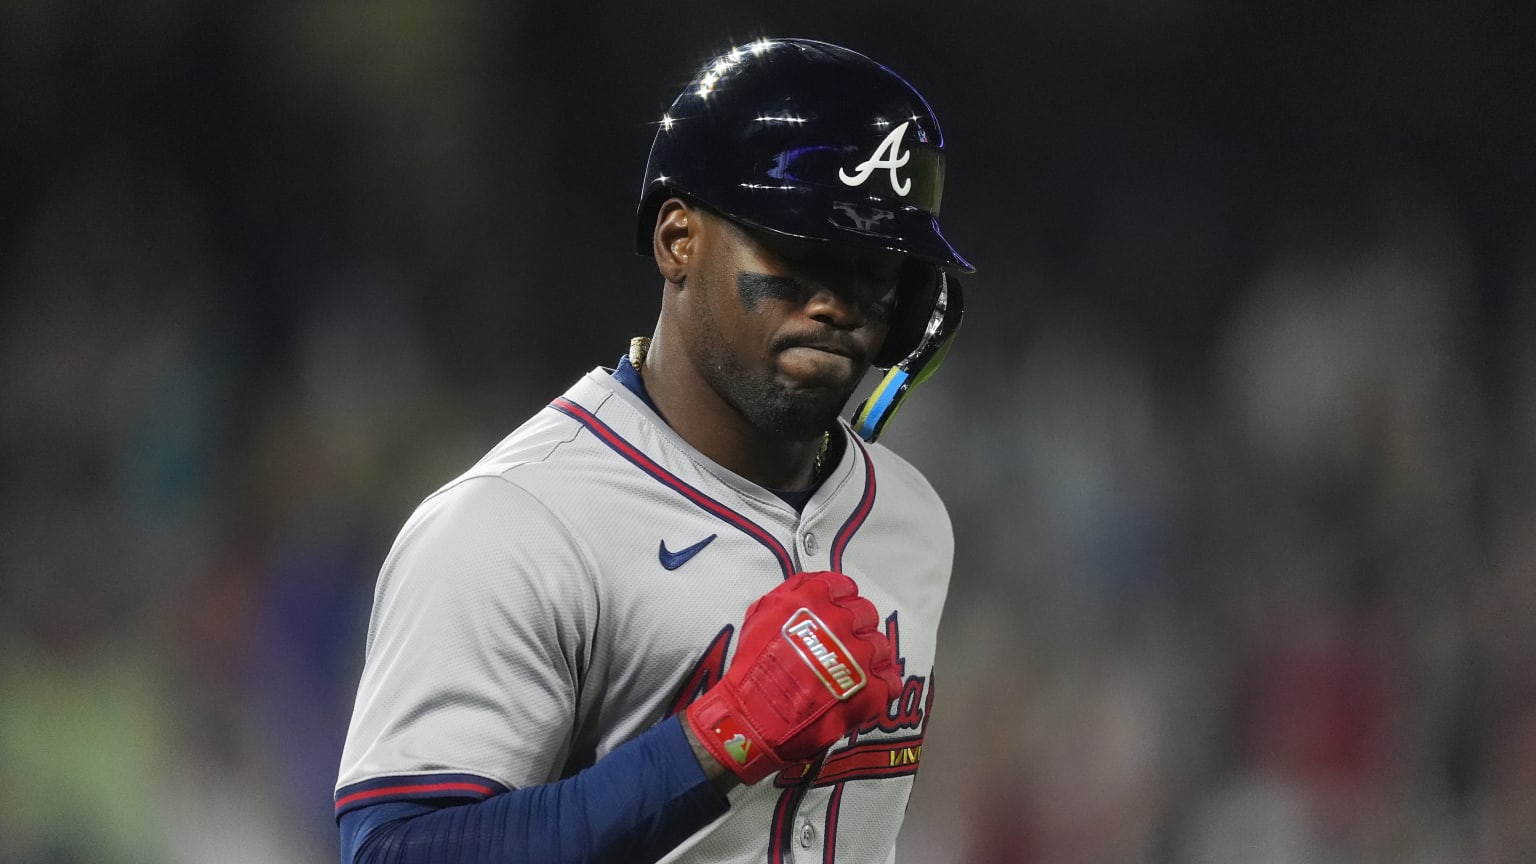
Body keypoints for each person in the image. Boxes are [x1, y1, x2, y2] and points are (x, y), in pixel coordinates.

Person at [334, 37, 973, 864]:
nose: (836, 303)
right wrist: (720, 739)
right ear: (678, 239)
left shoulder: (912, 520)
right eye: (798, 251)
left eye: (875, 268)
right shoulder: (515, 523)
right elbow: (397, 852)